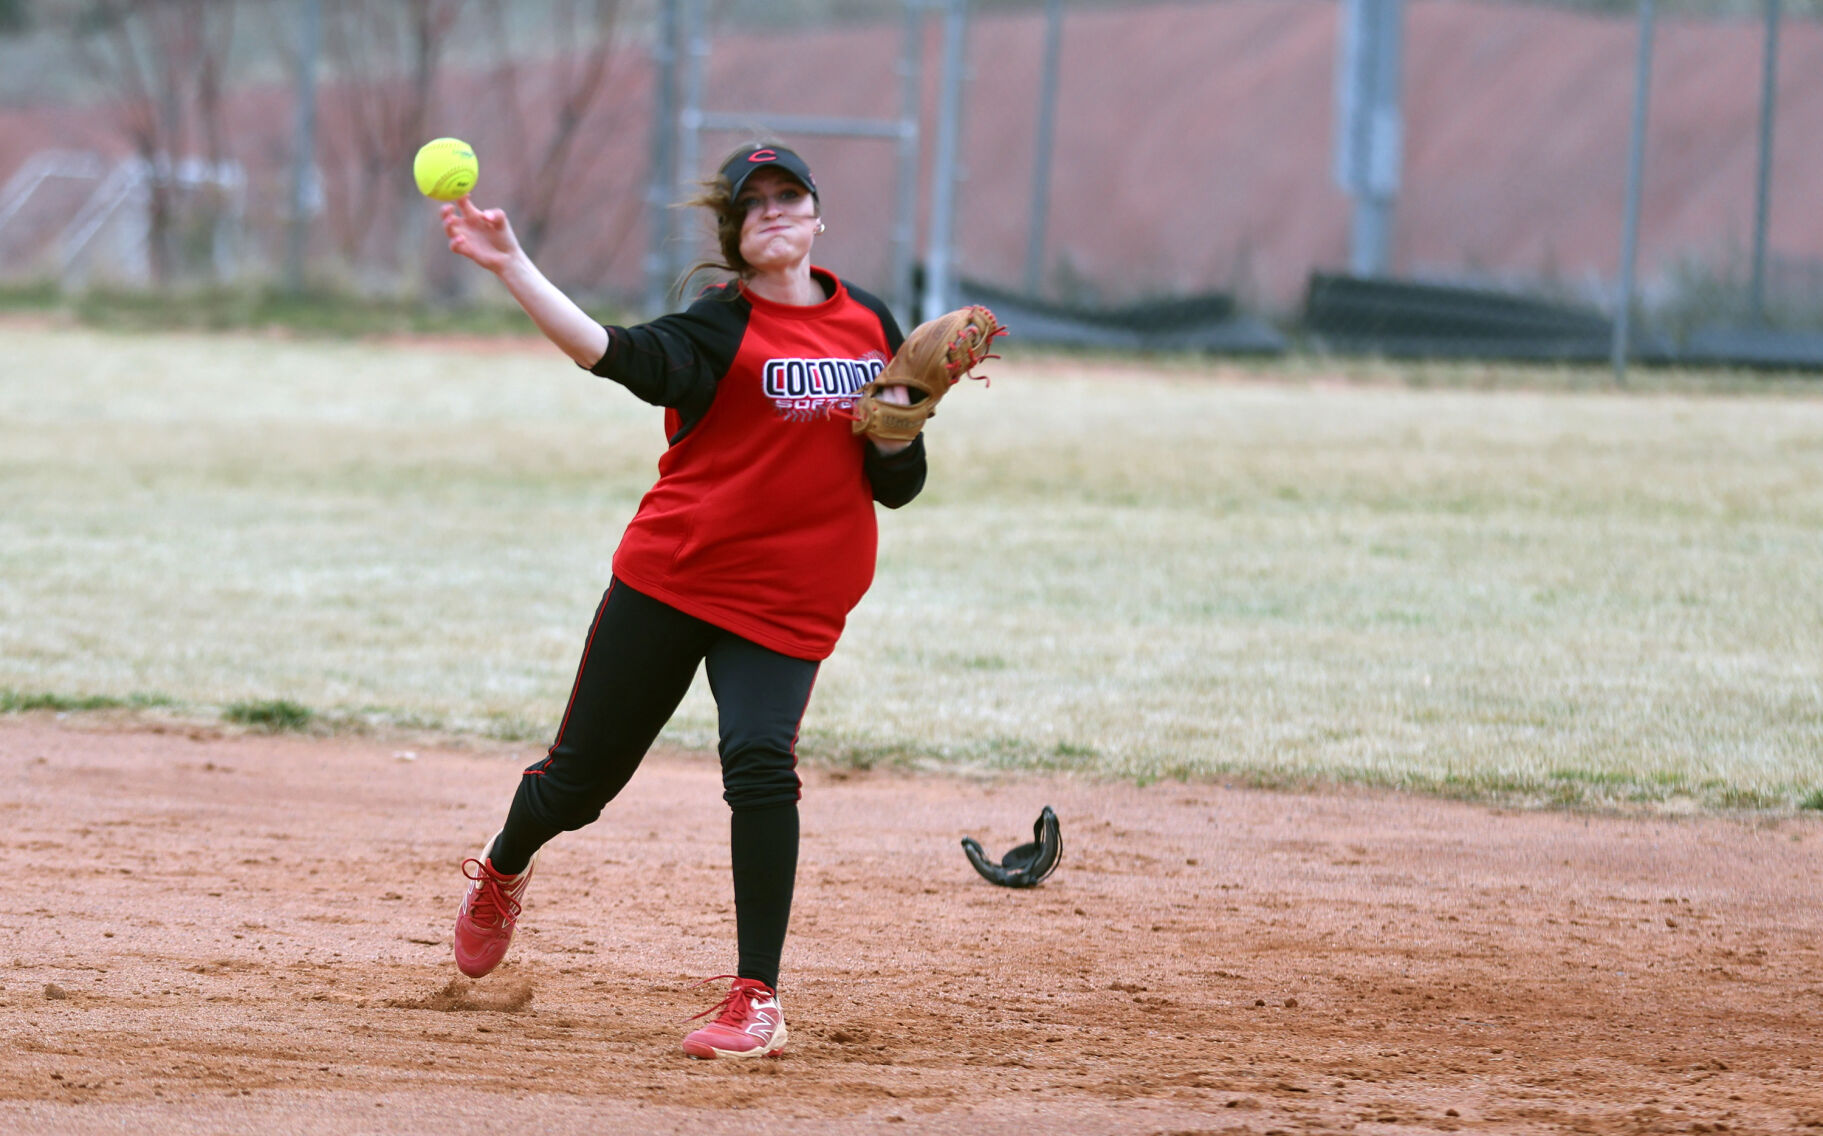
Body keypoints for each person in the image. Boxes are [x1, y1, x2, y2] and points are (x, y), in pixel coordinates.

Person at [437, 142, 923, 1060]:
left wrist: (897, 435)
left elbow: (896, 485)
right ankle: (504, 866)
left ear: (818, 217)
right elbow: (609, 352)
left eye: (791, 196)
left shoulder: (871, 321)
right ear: (736, 236)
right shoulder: (717, 325)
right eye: (754, 203)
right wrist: (513, 267)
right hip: (675, 578)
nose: (774, 210)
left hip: (789, 599)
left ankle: (755, 999)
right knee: (579, 786)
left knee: (758, 759)